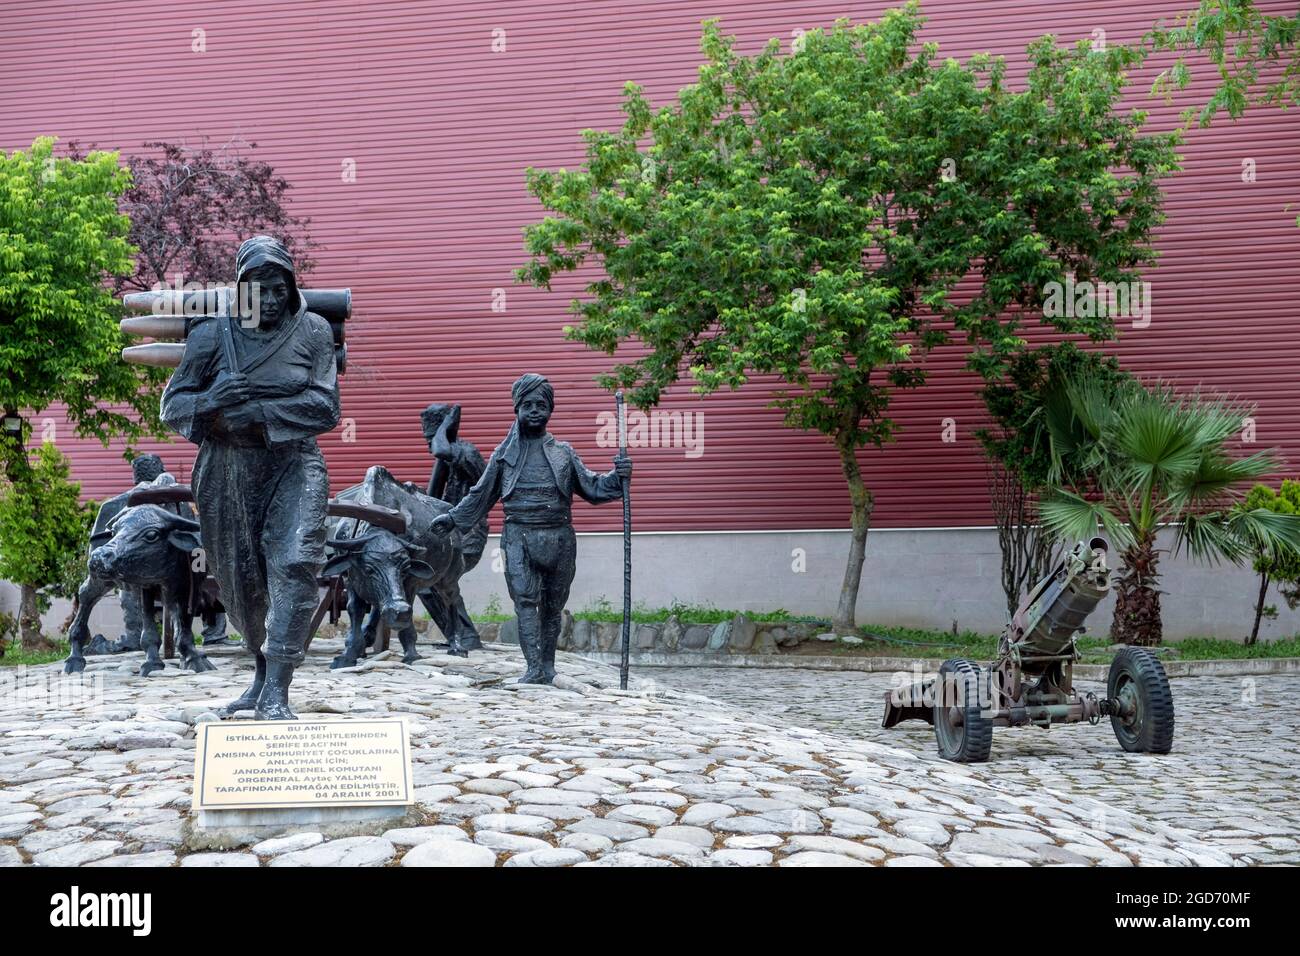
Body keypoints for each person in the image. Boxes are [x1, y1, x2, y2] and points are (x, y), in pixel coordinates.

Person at [161, 235, 339, 719]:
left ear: (292, 286)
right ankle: (259, 676)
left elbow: (325, 407)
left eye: (280, 287)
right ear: (241, 289)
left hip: (293, 463)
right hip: (228, 471)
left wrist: (258, 411)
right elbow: (172, 406)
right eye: (259, 288)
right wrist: (214, 398)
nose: (271, 298)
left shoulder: (314, 332)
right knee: (242, 579)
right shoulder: (210, 338)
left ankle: (278, 688)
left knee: (296, 563)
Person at [431, 373, 630, 683]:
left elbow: (592, 488)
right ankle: (533, 668)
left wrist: (618, 478)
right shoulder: (504, 456)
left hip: (560, 537)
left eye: (541, 405)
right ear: (517, 409)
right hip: (518, 537)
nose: (535, 410)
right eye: (528, 405)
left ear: (550, 409)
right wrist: (453, 518)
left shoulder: (563, 453)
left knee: (553, 606)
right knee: (525, 601)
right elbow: (480, 496)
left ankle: (548, 666)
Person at [418, 402, 487, 655]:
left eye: (431, 437)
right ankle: (460, 635)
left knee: (438, 579)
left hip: (470, 531)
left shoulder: (464, 452)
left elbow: (440, 448)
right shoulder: (447, 457)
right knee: (425, 582)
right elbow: (432, 495)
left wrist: (446, 426)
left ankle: (464, 636)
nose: (429, 444)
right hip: (452, 531)